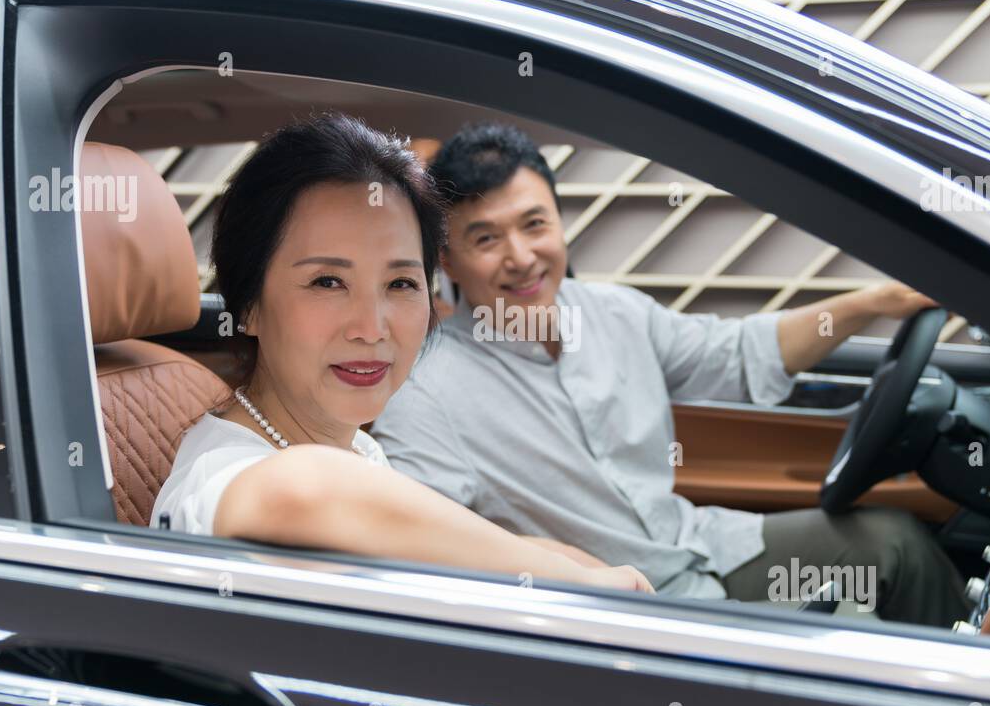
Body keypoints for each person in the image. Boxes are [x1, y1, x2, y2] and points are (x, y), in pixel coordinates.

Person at [369, 122, 969, 627]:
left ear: (559, 221)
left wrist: (873, 304)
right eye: (485, 238)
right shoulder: (426, 392)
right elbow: (423, 540)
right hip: (628, 614)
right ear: (445, 258)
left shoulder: (616, 312)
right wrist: (559, 567)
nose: (521, 256)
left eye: (534, 225)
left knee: (896, 547)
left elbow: (738, 355)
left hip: (708, 548)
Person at [150, 113, 652, 594]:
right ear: (249, 304)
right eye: (328, 281)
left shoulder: (355, 450)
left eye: (400, 283)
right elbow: (307, 489)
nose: (372, 328)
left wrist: (572, 563)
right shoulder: (222, 475)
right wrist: (573, 580)